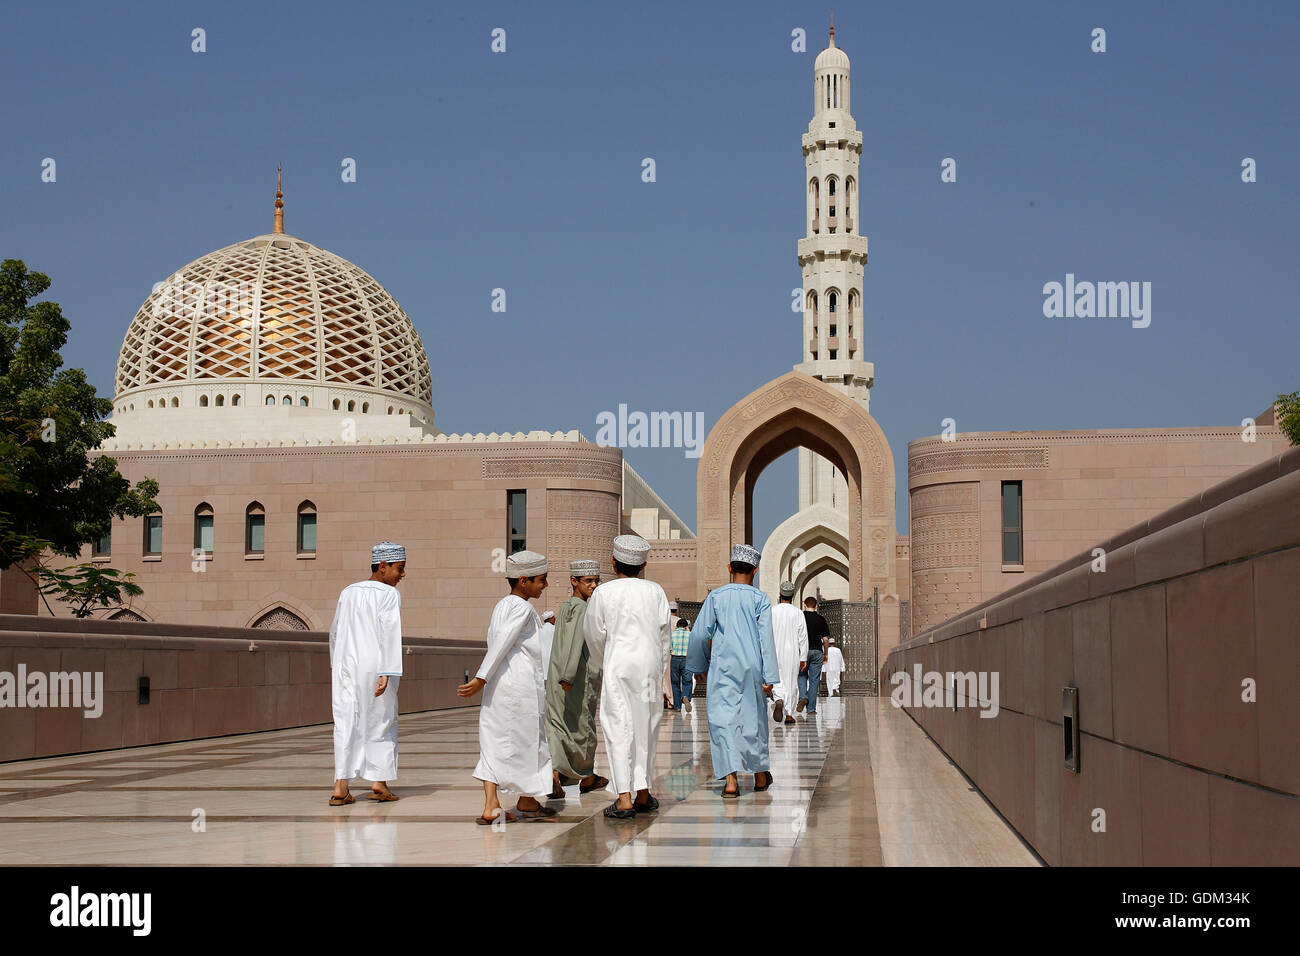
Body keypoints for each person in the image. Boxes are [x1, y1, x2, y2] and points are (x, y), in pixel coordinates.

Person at [458, 550, 557, 825]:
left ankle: (515, 801)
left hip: (503, 688)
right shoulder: (520, 607)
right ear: (524, 581)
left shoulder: (504, 604)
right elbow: (501, 643)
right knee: (527, 743)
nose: (545, 585)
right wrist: (481, 677)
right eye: (541, 580)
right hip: (517, 689)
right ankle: (504, 802)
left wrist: (485, 678)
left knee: (496, 742)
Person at [583, 534, 671, 820]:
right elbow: (664, 637)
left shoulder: (603, 593)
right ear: (644, 564)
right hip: (648, 667)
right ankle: (643, 792)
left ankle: (624, 797)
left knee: (618, 727)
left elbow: (594, 635)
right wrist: (660, 669)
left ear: (612, 562)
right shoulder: (655, 591)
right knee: (646, 725)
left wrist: (605, 661)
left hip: (618, 666)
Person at [685, 544, 780, 798]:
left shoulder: (716, 597)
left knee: (723, 721)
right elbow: (766, 640)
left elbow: (699, 634)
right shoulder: (760, 599)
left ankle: (730, 781)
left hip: (723, 667)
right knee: (753, 720)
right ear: (755, 571)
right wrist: (770, 677)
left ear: (730, 568)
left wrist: (698, 666)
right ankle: (760, 776)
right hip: (752, 668)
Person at [328, 542, 406, 806]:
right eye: (399, 568)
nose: (402, 575)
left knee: (345, 722)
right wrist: (387, 671)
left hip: (345, 668)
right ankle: (379, 783)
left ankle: (341, 787)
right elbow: (390, 632)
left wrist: (335, 665)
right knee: (381, 721)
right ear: (382, 567)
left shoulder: (347, 592)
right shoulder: (388, 594)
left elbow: (335, 632)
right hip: (376, 667)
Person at [544, 559, 608, 799]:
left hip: (557, 676)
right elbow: (574, 642)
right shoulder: (581, 608)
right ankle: (586, 777)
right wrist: (569, 674)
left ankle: (555, 776)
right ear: (574, 581)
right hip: (574, 679)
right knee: (582, 728)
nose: (593, 585)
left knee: (559, 727)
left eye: (595, 581)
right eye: (588, 581)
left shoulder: (568, 606)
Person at [770, 581, 808, 725]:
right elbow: (803, 637)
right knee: (792, 681)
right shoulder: (798, 613)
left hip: (775, 650)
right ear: (792, 596)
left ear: (780, 595)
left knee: (777, 678)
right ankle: (789, 715)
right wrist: (803, 657)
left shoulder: (772, 611)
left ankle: (779, 698)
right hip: (792, 652)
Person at [799, 596, 830, 715]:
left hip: (803, 651)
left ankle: (802, 697)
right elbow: (826, 639)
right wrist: (825, 653)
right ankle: (811, 708)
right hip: (817, 651)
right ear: (816, 606)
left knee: (801, 675)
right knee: (814, 679)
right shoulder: (821, 619)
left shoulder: (800, 617)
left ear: (804, 605)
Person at [669, 616, 694, 713]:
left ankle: (678, 707)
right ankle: (685, 696)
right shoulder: (690, 635)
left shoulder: (673, 634)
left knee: (675, 683)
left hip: (675, 659)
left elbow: (669, 648)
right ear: (686, 626)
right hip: (687, 660)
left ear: (676, 626)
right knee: (687, 681)